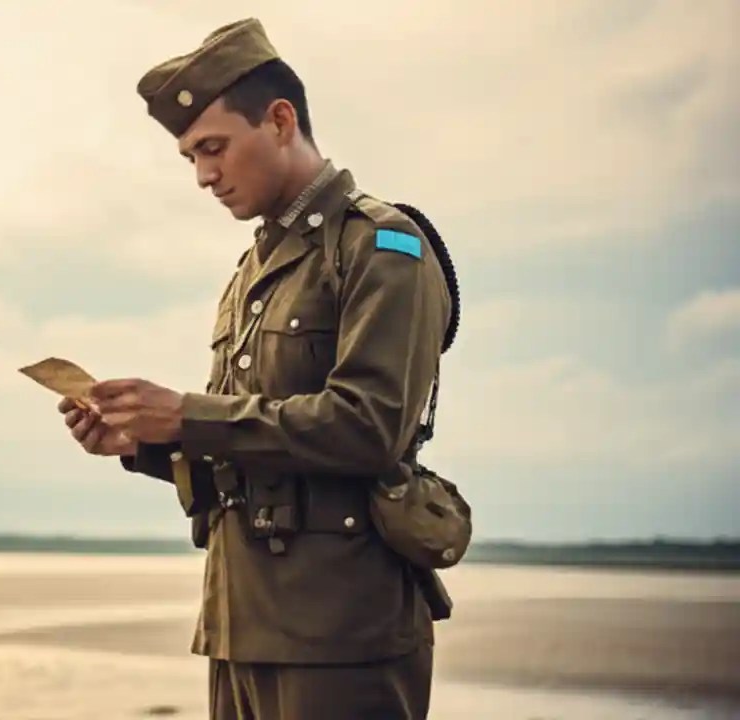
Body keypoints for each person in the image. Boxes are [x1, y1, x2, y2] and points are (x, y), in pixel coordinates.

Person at [56, 17, 454, 720]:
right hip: (240, 627)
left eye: (214, 148)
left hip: (341, 632)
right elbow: (248, 452)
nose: (205, 175)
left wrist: (185, 414)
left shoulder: (381, 245)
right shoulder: (251, 273)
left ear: (278, 121)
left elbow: (370, 428)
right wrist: (144, 443)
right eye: (190, 159)